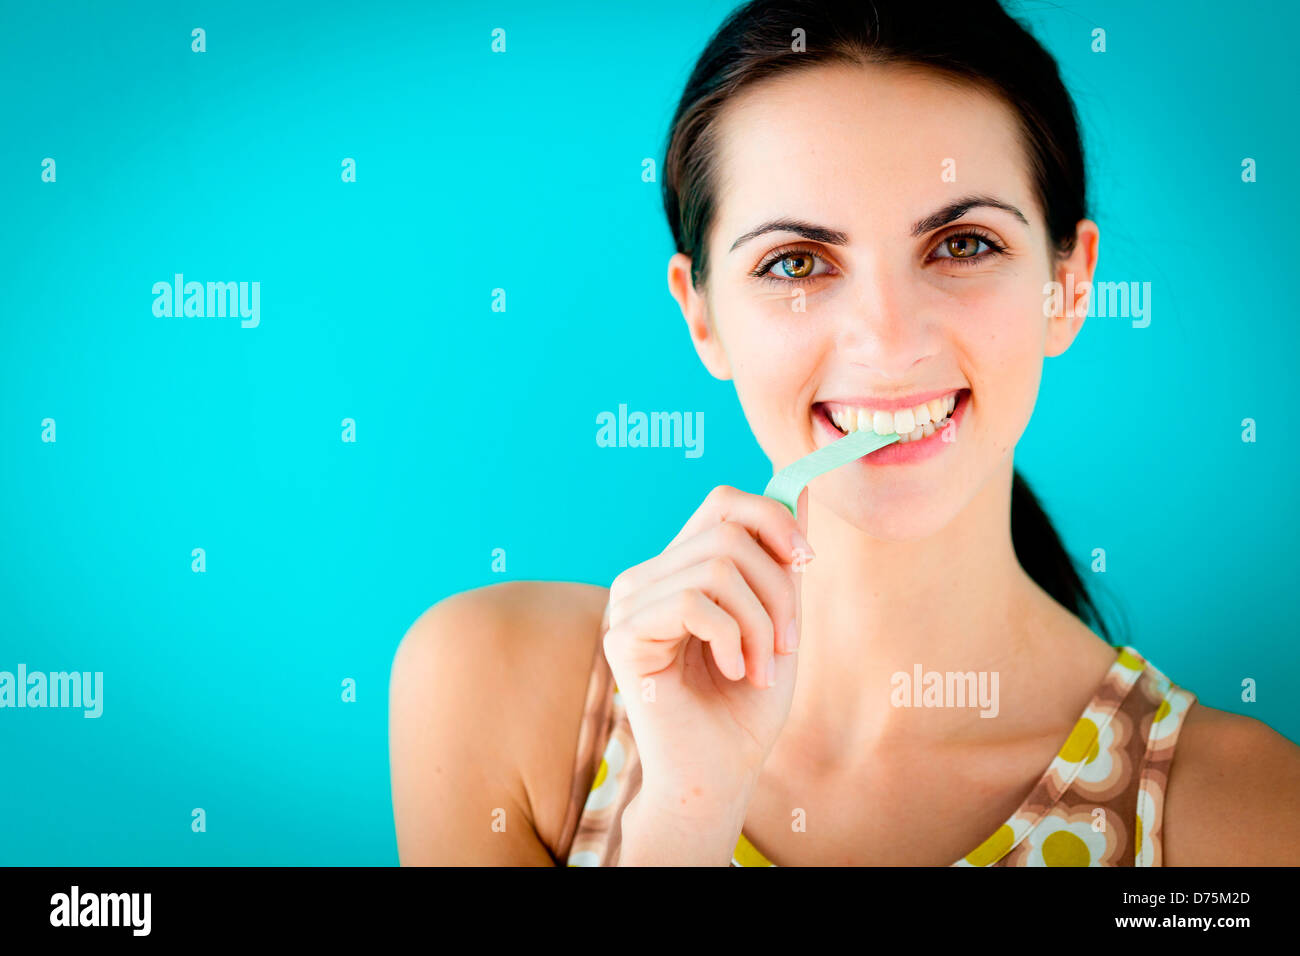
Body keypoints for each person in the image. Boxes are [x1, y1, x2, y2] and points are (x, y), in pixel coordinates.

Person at [389, 0, 1300, 865]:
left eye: (963, 244)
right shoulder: (489, 689)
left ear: (1068, 286)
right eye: (796, 263)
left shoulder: (1251, 816)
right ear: (701, 316)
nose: (889, 342)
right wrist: (686, 814)